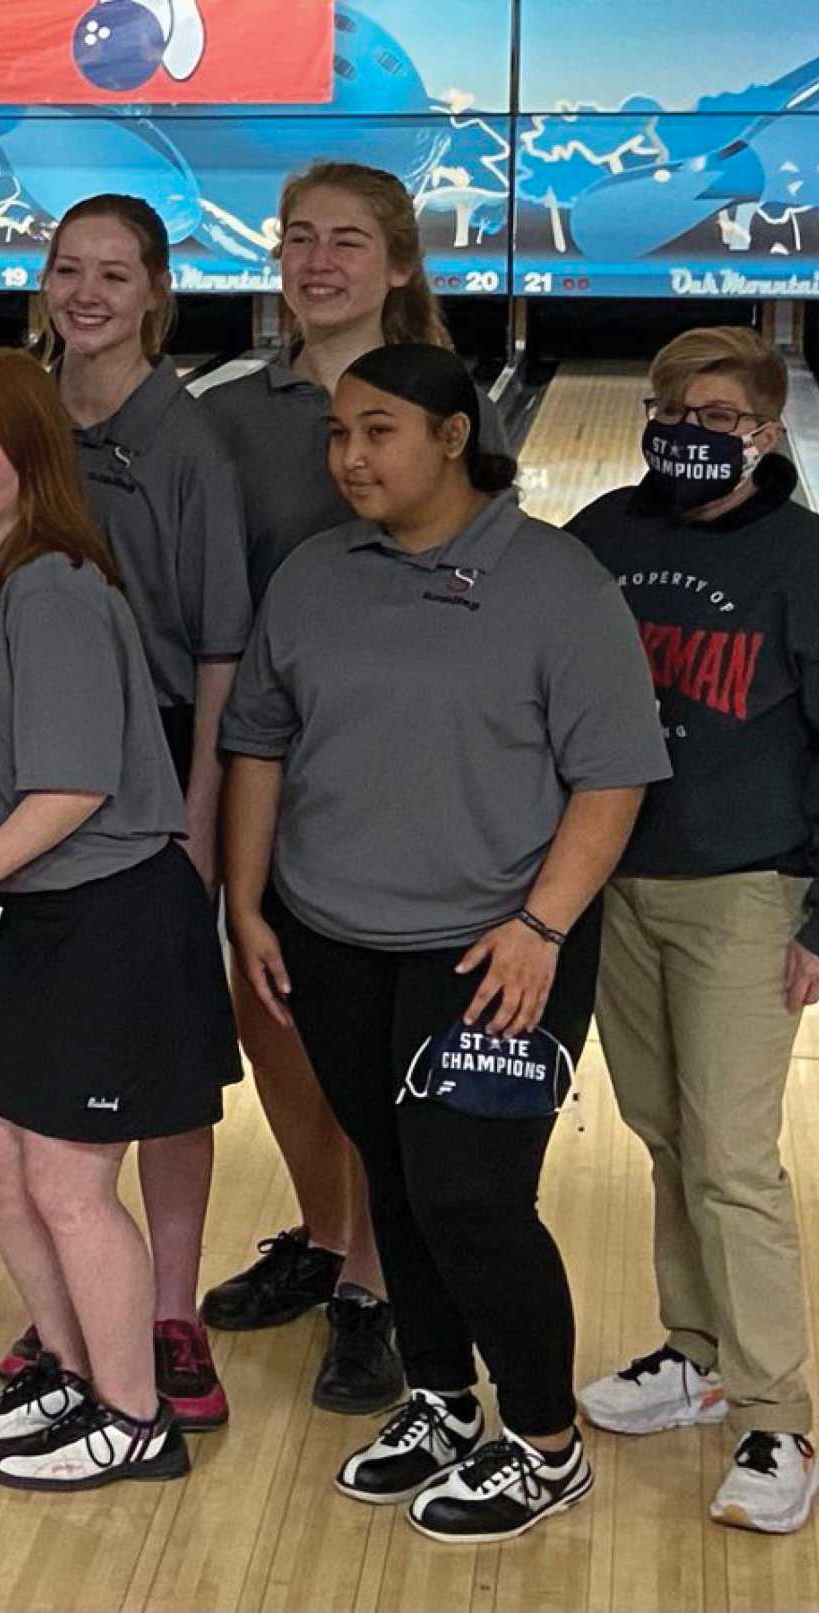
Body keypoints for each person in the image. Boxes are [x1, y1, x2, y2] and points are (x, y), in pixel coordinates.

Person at [221, 343, 670, 1541]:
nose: (350, 456)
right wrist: (247, 899)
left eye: (377, 432)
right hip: (332, 933)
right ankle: (439, 1395)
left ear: (454, 435)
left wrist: (540, 926)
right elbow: (258, 740)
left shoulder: (557, 581)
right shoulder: (316, 574)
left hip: (495, 950)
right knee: (399, 1181)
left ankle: (544, 1439)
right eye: (337, 435)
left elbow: (614, 775)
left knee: (472, 1194)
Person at [0, 349, 240, 1490]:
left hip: (108, 914)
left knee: (69, 1184)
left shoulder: (55, 588)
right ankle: (78, 1370)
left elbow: (75, 782)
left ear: (35, 455)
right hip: (53, 915)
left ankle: (136, 1416)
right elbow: (1, 755)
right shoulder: (2, 585)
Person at [197, 160, 506, 1414]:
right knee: (270, 1013)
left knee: (378, 1038)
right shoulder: (228, 410)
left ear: (396, 262)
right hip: (269, 764)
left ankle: (379, 1282)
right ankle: (330, 1238)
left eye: (345, 242)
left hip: (396, 765)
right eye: (296, 240)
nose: (316, 262)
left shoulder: (447, 402)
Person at [0, 192, 250, 1430]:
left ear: (157, 290)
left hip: (150, 787)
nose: (85, 292)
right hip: (46, 782)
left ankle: (169, 1307)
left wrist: (198, 821)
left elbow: (218, 653)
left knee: (162, 1075)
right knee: (68, 1060)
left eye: (113, 273)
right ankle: (86, 1307)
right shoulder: (25, 420)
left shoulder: (184, 441)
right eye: (66, 268)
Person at [568, 327, 819, 1535]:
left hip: (745, 888)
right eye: (673, 404)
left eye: (719, 413)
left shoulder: (801, 557)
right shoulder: (603, 538)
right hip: (620, 882)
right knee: (666, 1133)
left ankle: (779, 1410)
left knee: (733, 1156)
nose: (691, 427)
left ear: (766, 431)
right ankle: (693, 1352)